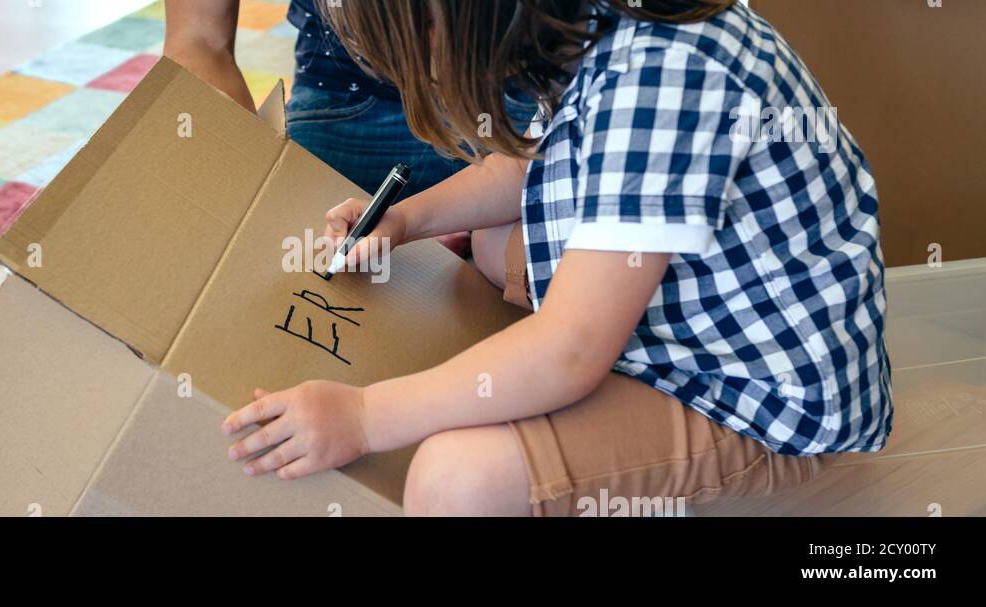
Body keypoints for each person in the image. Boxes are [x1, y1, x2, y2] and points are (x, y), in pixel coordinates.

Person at [219, 0, 892, 516]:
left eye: (420, 42)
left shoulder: (661, 80)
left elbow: (570, 351)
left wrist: (364, 416)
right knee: (490, 243)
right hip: (688, 320)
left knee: (453, 478)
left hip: (759, 406)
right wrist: (407, 219)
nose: (424, 67)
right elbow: (527, 166)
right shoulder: (584, 24)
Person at [165, 0, 536, 255]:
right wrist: (248, 205)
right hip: (346, 97)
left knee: (511, 257)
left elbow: (570, 346)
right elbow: (198, 40)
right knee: (280, 251)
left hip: (525, 98)